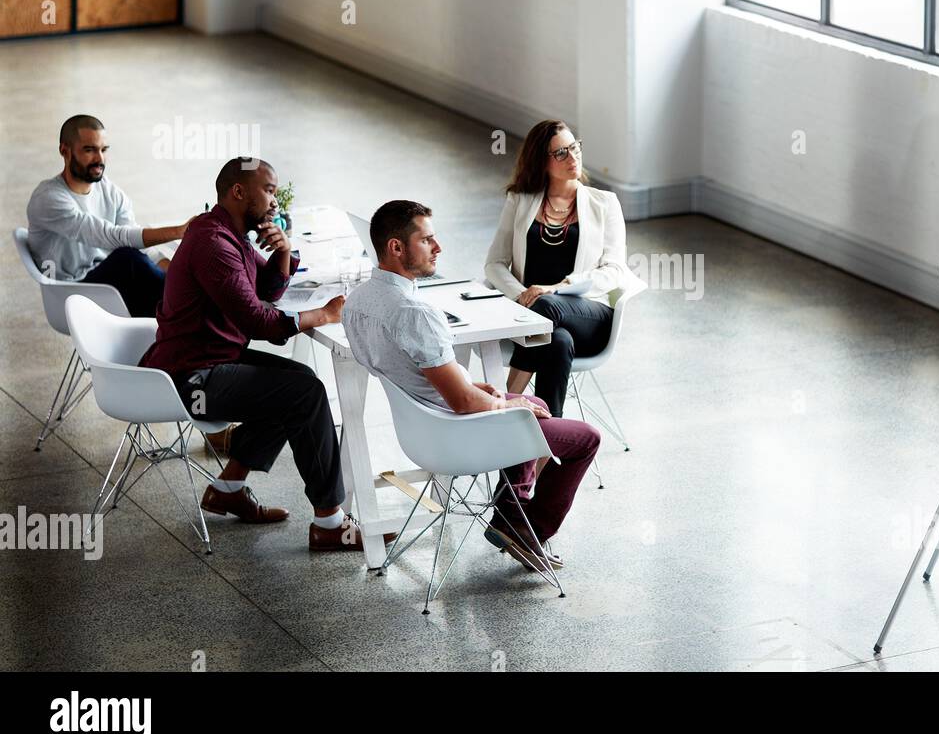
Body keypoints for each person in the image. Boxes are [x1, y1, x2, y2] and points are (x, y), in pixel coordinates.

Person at [139, 157, 379, 552]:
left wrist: (284, 250)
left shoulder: (228, 234)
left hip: (213, 361)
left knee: (299, 383)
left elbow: (266, 291)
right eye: (268, 190)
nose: (274, 202)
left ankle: (228, 488)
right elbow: (258, 321)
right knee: (303, 395)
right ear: (238, 192)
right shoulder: (213, 243)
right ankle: (330, 523)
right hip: (191, 377)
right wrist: (324, 314)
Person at [346, 199, 600, 572]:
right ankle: (531, 530)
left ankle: (510, 516)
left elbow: (414, 375)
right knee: (585, 438)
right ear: (396, 247)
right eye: (427, 240)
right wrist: (501, 405)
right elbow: (464, 403)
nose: (439, 247)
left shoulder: (358, 302)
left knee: (529, 399)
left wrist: (478, 387)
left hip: (423, 427)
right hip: (459, 435)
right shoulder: (415, 313)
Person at [484, 120, 645, 417]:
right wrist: (521, 295)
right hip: (530, 318)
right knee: (557, 342)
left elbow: (614, 270)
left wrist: (555, 289)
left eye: (574, 147)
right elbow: (494, 263)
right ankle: (544, 452)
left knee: (548, 306)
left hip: (588, 314)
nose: (573, 157)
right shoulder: (520, 201)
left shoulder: (604, 203)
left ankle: (503, 405)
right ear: (540, 161)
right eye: (560, 153)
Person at [26, 114, 192, 318]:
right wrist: (179, 231)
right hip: (68, 293)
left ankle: (183, 323)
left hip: (108, 284)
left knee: (167, 274)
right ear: (65, 151)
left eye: (103, 150)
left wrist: (178, 275)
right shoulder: (49, 198)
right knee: (127, 260)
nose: (99, 159)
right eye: (89, 150)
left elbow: (135, 243)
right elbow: (109, 235)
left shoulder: (110, 192)